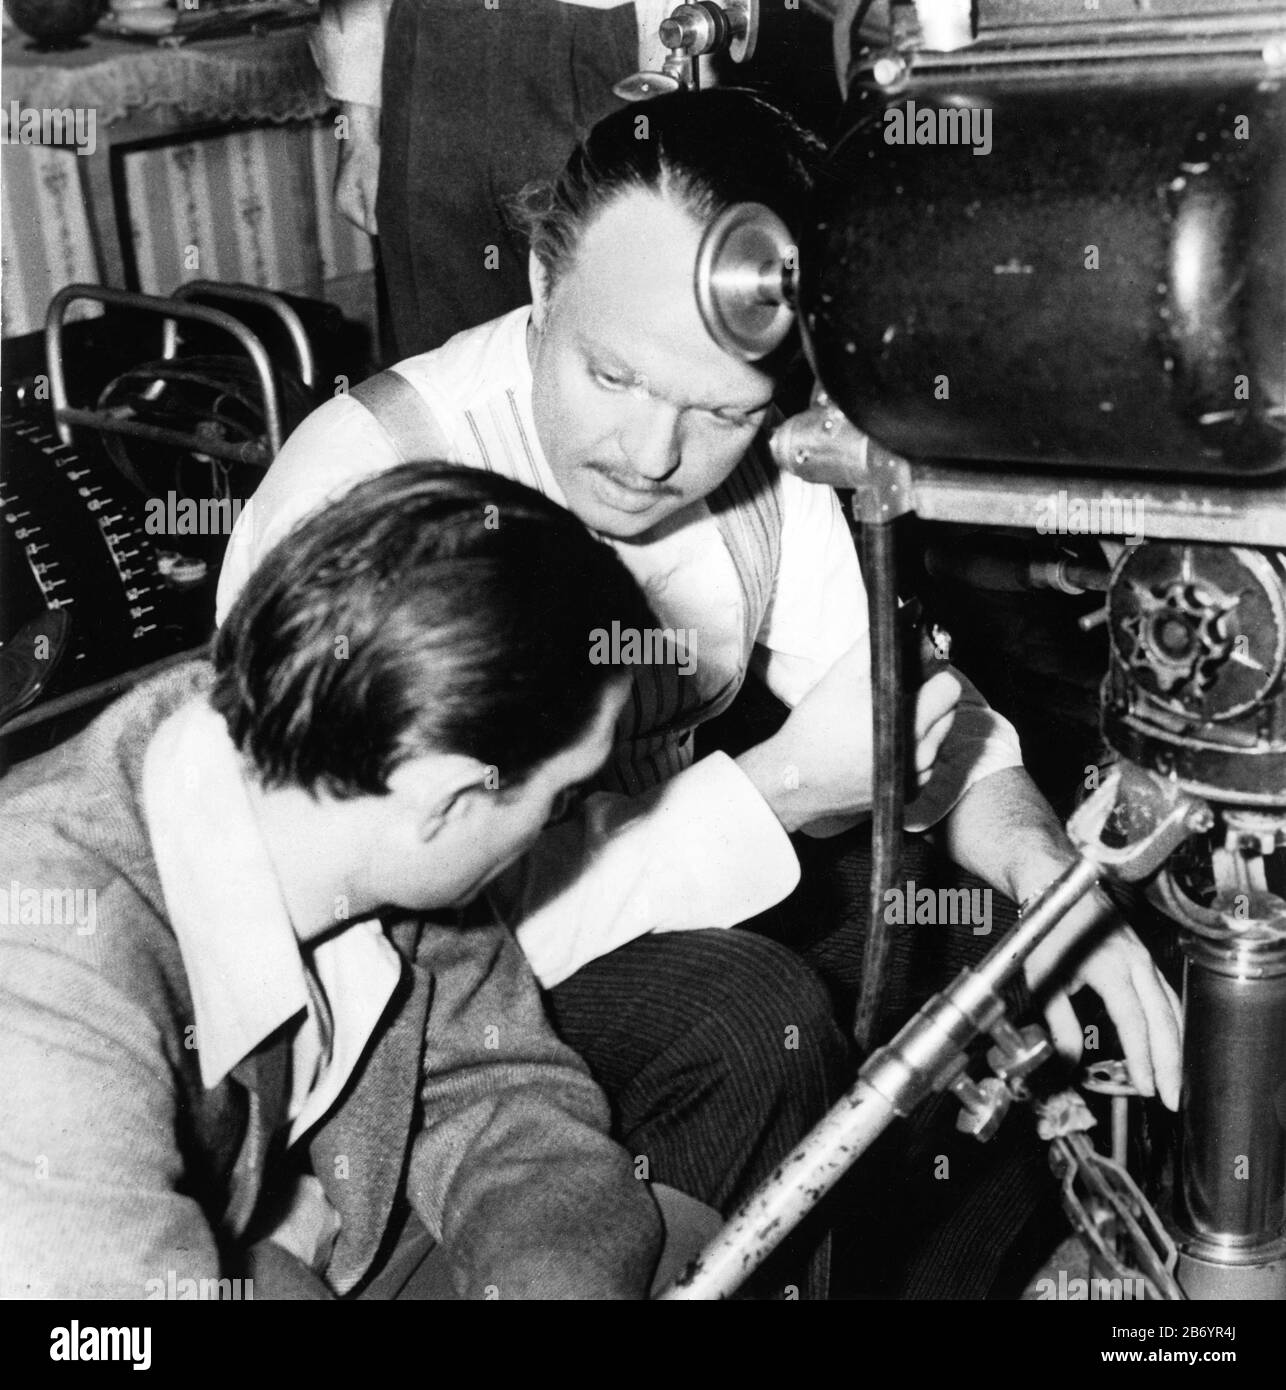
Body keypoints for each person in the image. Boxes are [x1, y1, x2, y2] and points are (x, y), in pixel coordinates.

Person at [218, 89, 1183, 1297]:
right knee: (748, 1012)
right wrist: (776, 791)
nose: (654, 453)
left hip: (626, 901)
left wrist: (1049, 882)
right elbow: (406, 942)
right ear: (536, 279)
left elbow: (918, 715)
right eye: (611, 374)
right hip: (408, 1014)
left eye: (723, 409)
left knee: (989, 954)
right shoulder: (373, 489)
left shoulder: (760, 468)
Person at [0, 463, 688, 1301]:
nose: (555, 827)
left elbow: (499, 1096)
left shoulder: (344, 761)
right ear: (451, 800)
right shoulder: (44, 979)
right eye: (561, 796)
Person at [316, 0, 669, 356]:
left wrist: (678, 113)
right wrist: (356, 136)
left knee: (601, 331)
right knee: (435, 348)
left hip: (590, 48)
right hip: (425, 59)